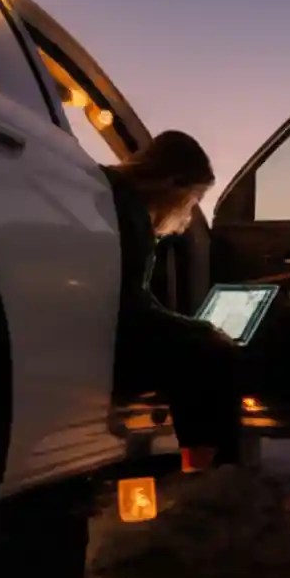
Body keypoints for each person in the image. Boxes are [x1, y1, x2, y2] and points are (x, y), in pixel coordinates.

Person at [102, 130, 242, 472]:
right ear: (173, 184)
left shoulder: (112, 194)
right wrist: (200, 329)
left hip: (98, 329)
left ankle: (201, 464)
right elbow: (131, 308)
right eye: (193, 199)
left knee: (196, 342)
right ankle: (212, 470)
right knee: (214, 354)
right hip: (107, 342)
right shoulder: (130, 213)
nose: (189, 212)